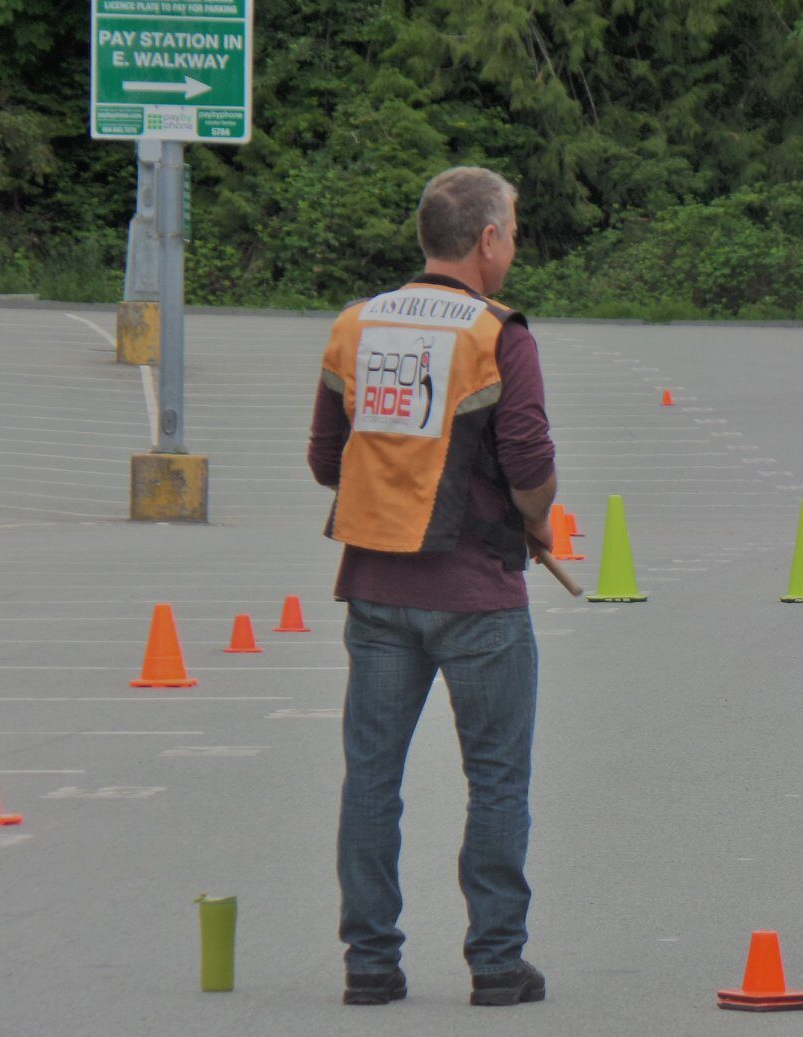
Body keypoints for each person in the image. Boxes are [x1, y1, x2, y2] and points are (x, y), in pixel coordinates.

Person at [308, 166, 557, 1007]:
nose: (512, 247)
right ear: (486, 239)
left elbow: (323, 458)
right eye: (512, 232)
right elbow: (528, 463)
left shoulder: (356, 323)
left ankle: (369, 965)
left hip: (375, 588)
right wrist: (538, 519)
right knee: (496, 780)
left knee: (371, 776)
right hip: (478, 591)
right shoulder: (497, 331)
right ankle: (496, 964)